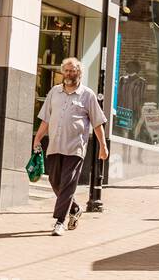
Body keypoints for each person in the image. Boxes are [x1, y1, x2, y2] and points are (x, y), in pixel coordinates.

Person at [33, 57, 108, 236]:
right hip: (55, 145)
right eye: (66, 70)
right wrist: (37, 139)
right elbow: (46, 118)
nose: (68, 73)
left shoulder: (87, 95)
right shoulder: (54, 92)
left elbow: (97, 123)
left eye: (72, 70)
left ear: (79, 73)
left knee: (67, 183)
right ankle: (74, 209)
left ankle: (60, 221)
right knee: (54, 181)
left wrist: (103, 146)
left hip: (75, 147)